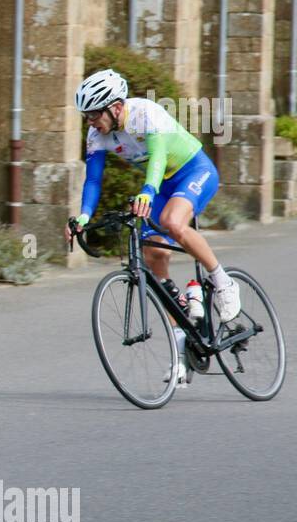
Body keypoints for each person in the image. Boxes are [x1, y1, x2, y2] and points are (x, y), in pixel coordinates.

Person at [66, 69, 242, 378]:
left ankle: (223, 282)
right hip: (160, 184)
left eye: (94, 114)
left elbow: (158, 156)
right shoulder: (97, 136)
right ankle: (181, 349)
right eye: (86, 116)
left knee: (172, 223)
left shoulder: (145, 113)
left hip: (193, 171)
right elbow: (93, 179)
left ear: (116, 107)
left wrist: (147, 191)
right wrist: (83, 216)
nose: (90, 122)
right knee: (153, 257)